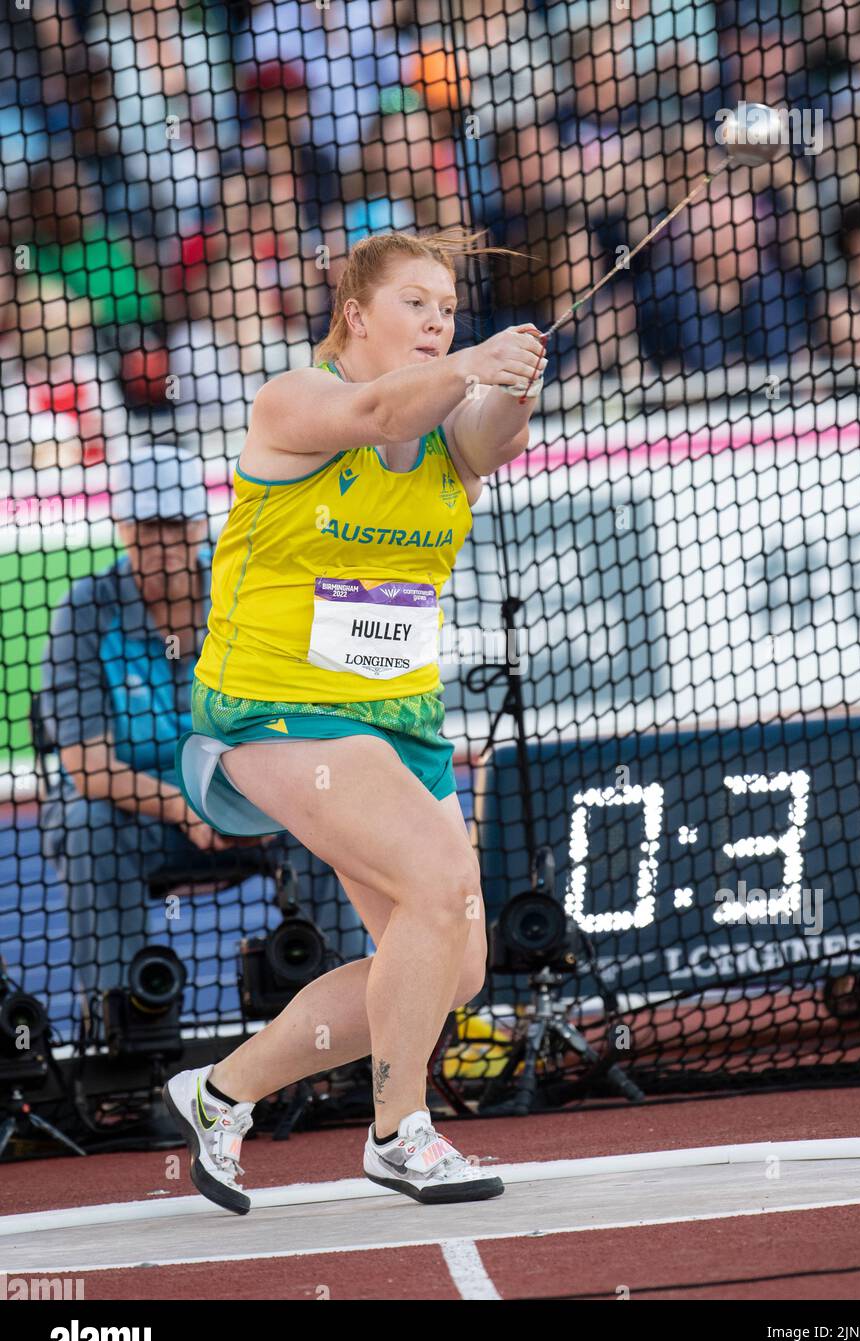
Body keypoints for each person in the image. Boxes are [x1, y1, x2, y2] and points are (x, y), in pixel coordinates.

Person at [165, 228, 547, 1210]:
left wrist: (517, 375)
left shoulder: (445, 433)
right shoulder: (293, 398)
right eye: (415, 302)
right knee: (441, 875)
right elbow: (375, 406)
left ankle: (221, 1092)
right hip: (276, 712)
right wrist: (471, 358)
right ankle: (398, 1131)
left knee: (451, 964)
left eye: (447, 307)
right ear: (356, 313)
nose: (435, 319)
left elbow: (496, 433)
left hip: (396, 728)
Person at [38, 441, 357, 1021]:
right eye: (146, 530)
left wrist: (256, 800)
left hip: (256, 797)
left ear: (198, 528)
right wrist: (188, 810)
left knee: (330, 804)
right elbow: (88, 767)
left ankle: (348, 1013)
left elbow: (302, 719)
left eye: (175, 529)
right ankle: (124, 1021)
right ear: (123, 528)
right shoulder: (84, 612)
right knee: (85, 824)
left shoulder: (247, 590)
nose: (161, 548)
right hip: (144, 817)